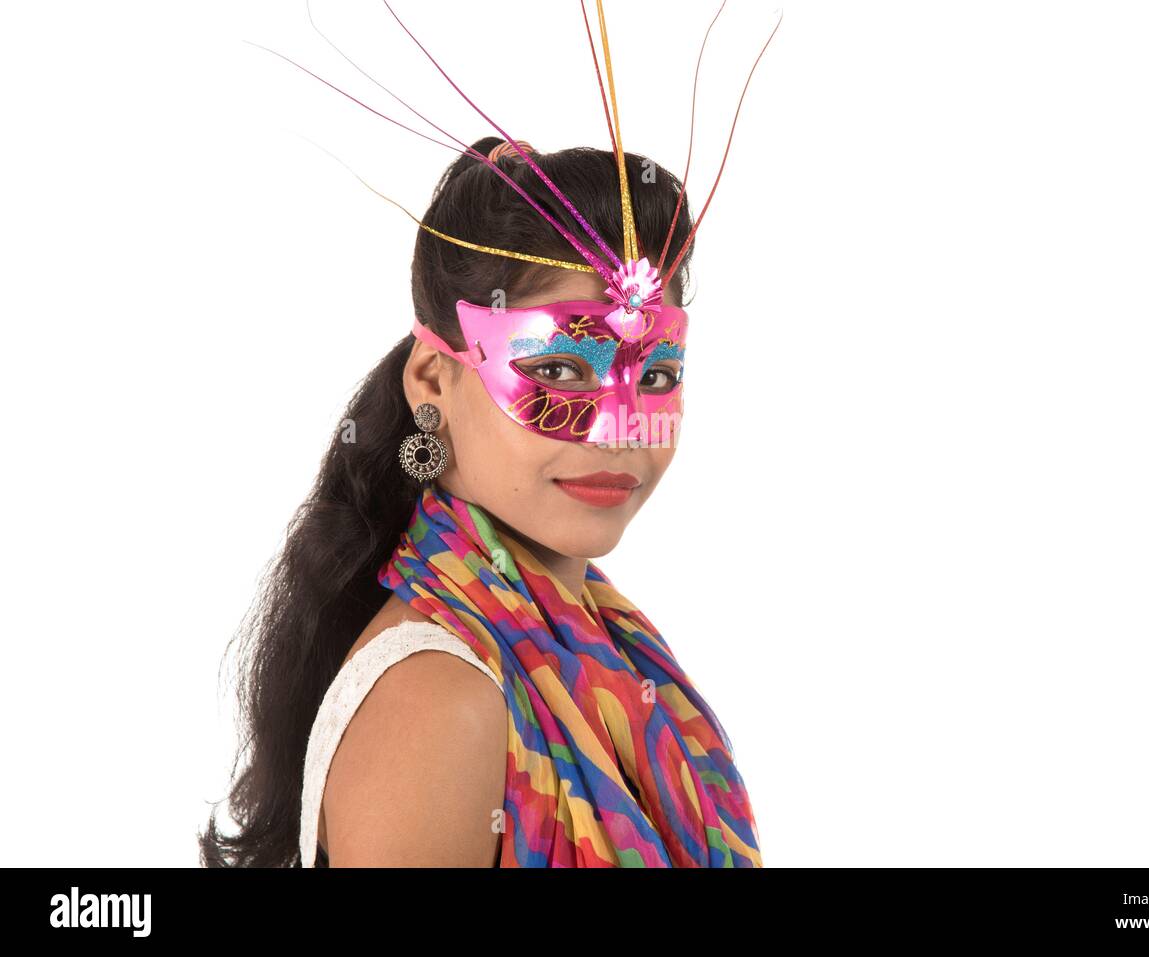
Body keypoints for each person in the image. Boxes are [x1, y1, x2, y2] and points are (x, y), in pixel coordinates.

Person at [201, 1, 776, 868]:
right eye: (556, 371)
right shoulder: (442, 700)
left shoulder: (610, 648)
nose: (618, 428)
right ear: (435, 380)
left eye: (652, 374)